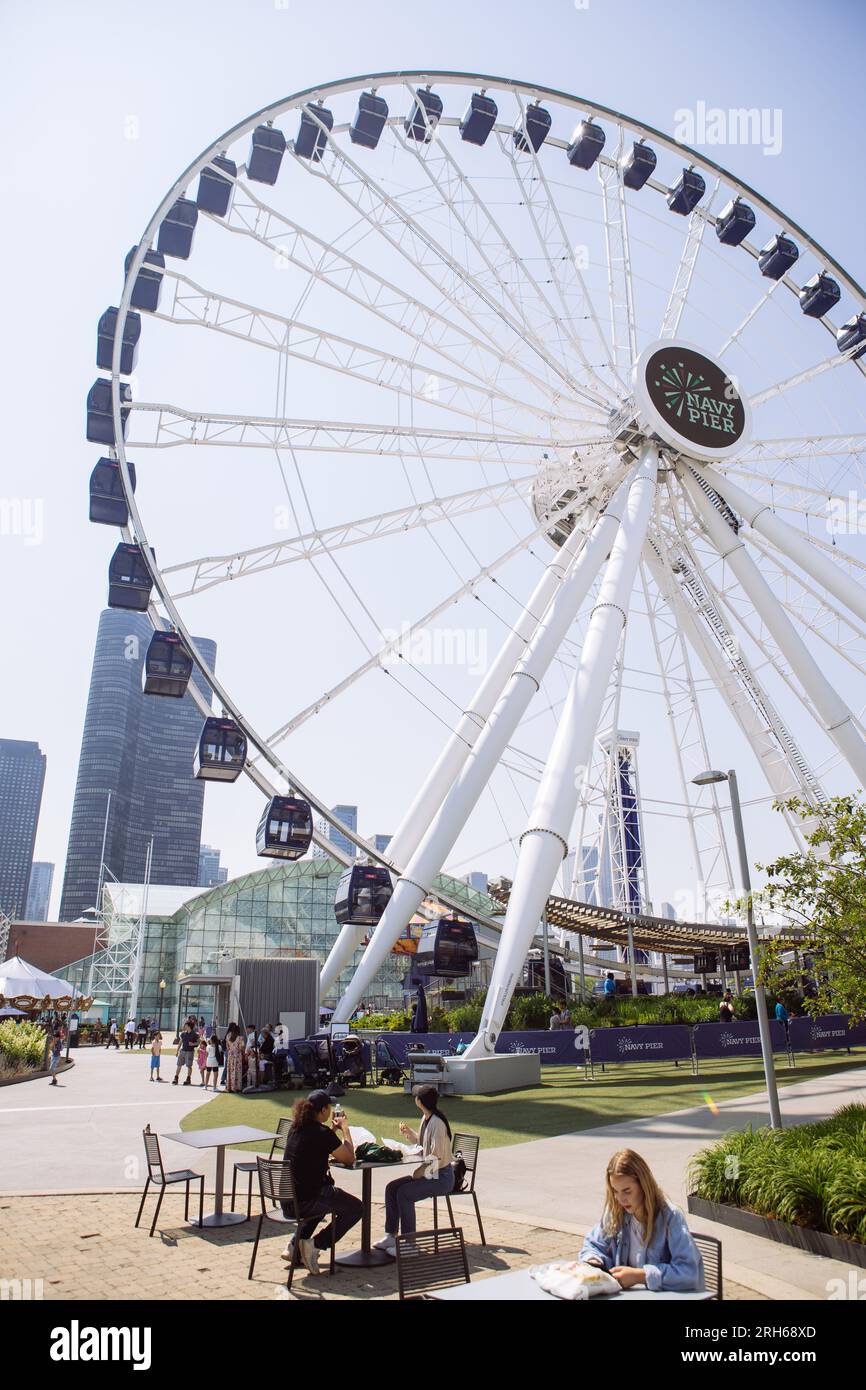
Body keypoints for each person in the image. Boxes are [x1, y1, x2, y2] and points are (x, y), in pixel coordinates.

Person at [580, 1149, 704, 1292]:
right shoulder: (616, 1211)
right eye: (615, 1191)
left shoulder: (671, 1217)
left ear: (644, 1185)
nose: (620, 1199)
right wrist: (593, 1262)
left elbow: (689, 1272)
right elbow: (593, 1245)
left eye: (627, 1191)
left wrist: (641, 1276)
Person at [281, 1090, 362, 1274]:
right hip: (308, 1199)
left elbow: (316, 1147)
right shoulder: (321, 1133)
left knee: (324, 1206)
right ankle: (316, 1245)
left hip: (289, 1199)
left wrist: (332, 1131)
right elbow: (349, 1158)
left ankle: (295, 1245)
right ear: (324, 1110)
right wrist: (345, 1129)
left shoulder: (296, 1128)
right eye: (330, 1107)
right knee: (356, 1208)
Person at [376, 1084, 455, 1255]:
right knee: (392, 1188)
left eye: (416, 1096)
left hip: (441, 1177)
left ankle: (409, 1244)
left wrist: (421, 1172)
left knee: (405, 1193)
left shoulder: (437, 1123)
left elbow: (437, 1156)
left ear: (419, 1101)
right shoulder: (426, 1119)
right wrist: (410, 1135)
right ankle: (391, 1234)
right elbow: (424, 1145)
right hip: (433, 1173)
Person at [172, 1018, 199, 1086]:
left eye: (185, 1025)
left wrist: (193, 1044)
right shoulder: (183, 1034)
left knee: (189, 1066)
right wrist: (177, 1051)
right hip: (182, 1051)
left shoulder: (194, 1034)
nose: (184, 1026)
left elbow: (199, 1042)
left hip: (190, 1052)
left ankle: (188, 1079)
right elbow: (180, 1042)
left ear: (189, 1026)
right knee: (179, 1065)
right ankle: (176, 1078)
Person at [224, 1023, 244, 1093]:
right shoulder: (240, 1038)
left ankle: (229, 1087)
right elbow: (241, 1048)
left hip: (230, 1055)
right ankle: (237, 1087)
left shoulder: (228, 1037)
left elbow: (227, 1047)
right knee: (237, 1071)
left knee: (230, 1070)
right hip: (237, 1055)